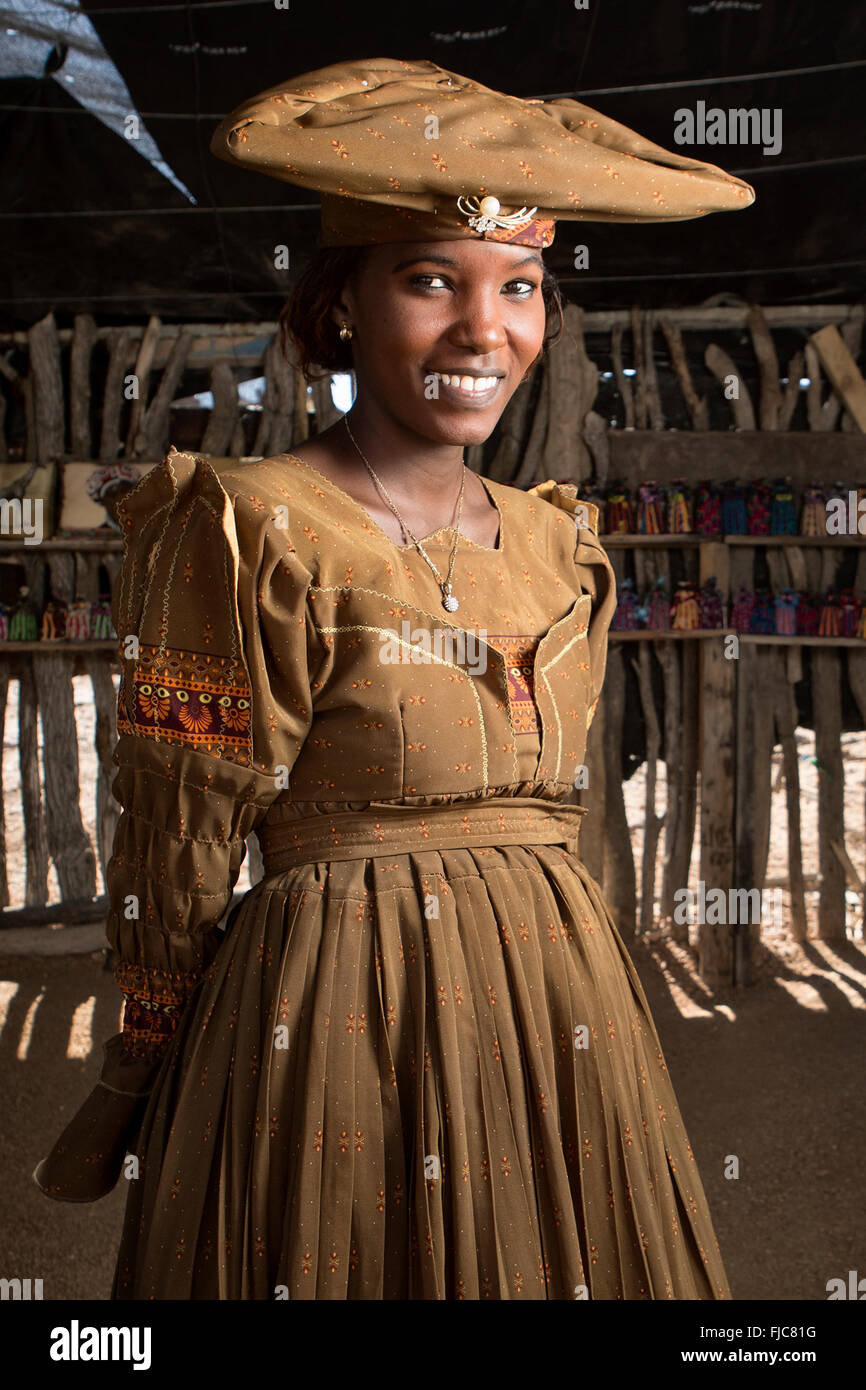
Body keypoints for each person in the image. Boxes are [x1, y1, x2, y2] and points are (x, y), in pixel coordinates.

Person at [35, 57, 754, 1300]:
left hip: (555, 1002)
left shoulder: (553, 542)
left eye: (520, 287)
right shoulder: (248, 526)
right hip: (333, 1007)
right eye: (432, 280)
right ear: (339, 308)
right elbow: (177, 836)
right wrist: (145, 1061)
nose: (487, 330)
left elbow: (554, 821)